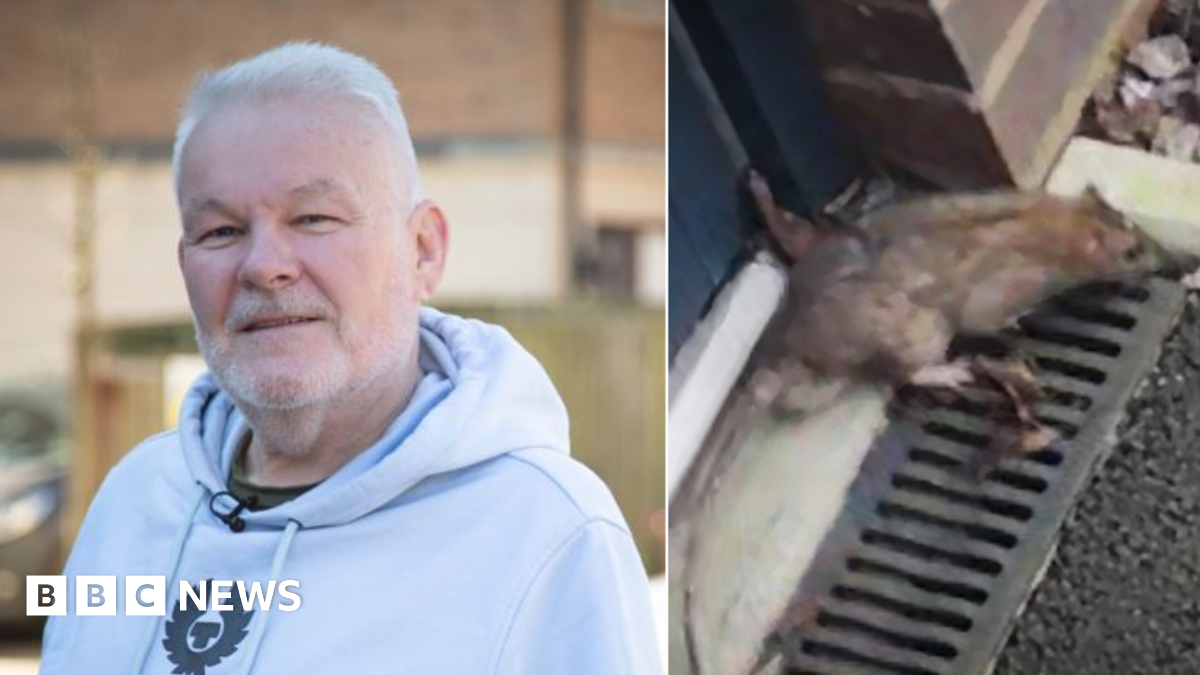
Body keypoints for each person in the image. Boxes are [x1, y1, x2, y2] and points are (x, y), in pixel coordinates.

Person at [40, 41, 661, 675]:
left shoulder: (547, 534)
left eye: (313, 217)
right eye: (221, 231)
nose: (263, 266)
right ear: (185, 266)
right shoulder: (135, 498)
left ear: (422, 251)